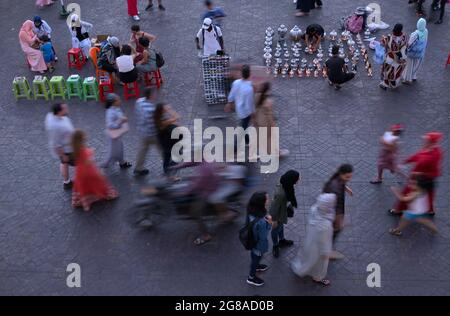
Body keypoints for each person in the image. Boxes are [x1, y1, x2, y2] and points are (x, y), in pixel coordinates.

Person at [390, 132, 443, 216]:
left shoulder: (434, 155)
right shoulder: (428, 148)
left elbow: (434, 172)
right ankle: (430, 210)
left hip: (419, 178)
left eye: (426, 139)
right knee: (428, 194)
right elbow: (417, 156)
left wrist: (419, 173)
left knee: (407, 191)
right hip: (421, 177)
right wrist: (405, 162)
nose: (424, 140)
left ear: (431, 142)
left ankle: (398, 210)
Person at [291, 193, 336, 286]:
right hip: (318, 248)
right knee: (319, 265)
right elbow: (324, 242)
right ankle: (318, 278)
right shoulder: (325, 225)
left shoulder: (314, 209)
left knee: (307, 259)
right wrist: (326, 253)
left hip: (310, 242)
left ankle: (302, 269)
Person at [71, 130, 119, 212]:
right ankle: (103, 195)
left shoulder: (74, 149)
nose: (86, 137)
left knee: (83, 186)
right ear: (81, 139)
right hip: (88, 170)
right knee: (98, 181)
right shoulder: (83, 150)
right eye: (84, 136)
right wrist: (91, 152)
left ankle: (84, 202)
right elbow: (88, 161)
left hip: (80, 172)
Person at [322, 164, 353, 260]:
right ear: (341, 174)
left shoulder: (337, 179)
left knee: (331, 233)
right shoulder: (334, 188)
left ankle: (326, 249)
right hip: (332, 214)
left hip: (333, 213)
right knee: (333, 233)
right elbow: (336, 206)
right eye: (347, 177)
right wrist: (338, 221)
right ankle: (326, 251)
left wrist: (346, 189)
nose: (349, 179)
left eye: (350, 177)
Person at [269, 170, 300, 258]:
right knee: (275, 229)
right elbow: (274, 207)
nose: (299, 180)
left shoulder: (285, 183)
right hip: (277, 214)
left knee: (281, 226)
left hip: (282, 211)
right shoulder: (281, 194)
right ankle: (275, 246)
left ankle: (282, 240)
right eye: (297, 178)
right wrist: (274, 220)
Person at [253, 82, 288, 156]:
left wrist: (254, 120)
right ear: (268, 90)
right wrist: (273, 125)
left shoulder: (257, 96)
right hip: (266, 123)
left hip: (258, 120)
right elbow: (270, 116)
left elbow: (254, 109)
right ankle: (277, 153)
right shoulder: (269, 102)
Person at [44, 103, 75, 190]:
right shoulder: (55, 126)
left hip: (68, 147)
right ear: (59, 112)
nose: (67, 109)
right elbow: (56, 143)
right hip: (68, 149)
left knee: (64, 163)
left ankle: (66, 182)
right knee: (80, 162)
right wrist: (63, 155)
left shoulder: (50, 115)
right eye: (65, 108)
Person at [246, 192, 272, 287]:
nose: (269, 200)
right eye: (267, 199)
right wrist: (269, 223)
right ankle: (251, 277)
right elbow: (263, 236)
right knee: (256, 258)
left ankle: (256, 266)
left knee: (255, 257)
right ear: (261, 203)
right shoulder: (261, 221)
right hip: (258, 245)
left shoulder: (251, 210)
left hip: (252, 241)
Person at [225, 65, 255, 146]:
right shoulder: (249, 88)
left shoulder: (236, 83)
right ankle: (236, 146)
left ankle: (247, 141)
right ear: (250, 74)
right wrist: (253, 114)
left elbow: (232, 94)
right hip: (246, 113)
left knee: (244, 126)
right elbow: (249, 104)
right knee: (243, 128)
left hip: (239, 109)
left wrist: (229, 103)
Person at [101, 94, 132, 170]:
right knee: (113, 152)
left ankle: (122, 162)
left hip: (118, 134)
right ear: (113, 102)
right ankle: (106, 164)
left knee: (119, 149)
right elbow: (110, 125)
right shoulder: (110, 112)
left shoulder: (116, 108)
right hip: (114, 135)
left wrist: (122, 118)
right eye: (118, 100)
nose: (120, 101)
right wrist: (120, 121)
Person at [134, 88, 159, 176]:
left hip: (142, 132)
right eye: (154, 93)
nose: (156, 95)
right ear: (151, 95)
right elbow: (154, 122)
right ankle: (168, 165)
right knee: (163, 149)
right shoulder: (151, 109)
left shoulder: (139, 102)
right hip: (152, 134)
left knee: (142, 150)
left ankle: (138, 167)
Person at [154, 102, 181, 176]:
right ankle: (169, 171)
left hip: (166, 141)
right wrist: (170, 110)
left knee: (168, 157)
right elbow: (177, 117)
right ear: (161, 110)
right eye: (164, 109)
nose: (166, 109)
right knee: (169, 156)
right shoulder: (162, 121)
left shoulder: (159, 117)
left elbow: (176, 123)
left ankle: (168, 170)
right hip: (167, 142)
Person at [379, 24, 408, 90]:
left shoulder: (390, 38)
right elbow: (406, 45)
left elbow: (382, 43)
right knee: (397, 72)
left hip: (391, 58)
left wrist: (384, 39)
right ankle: (394, 85)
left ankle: (385, 84)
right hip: (401, 59)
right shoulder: (404, 36)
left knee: (387, 71)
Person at [403, 18, 428, 84]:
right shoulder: (426, 31)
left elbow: (409, 44)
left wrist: (406, 49)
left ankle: (408, 79)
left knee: (409, 66)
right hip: (420, 53)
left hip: (412, 53)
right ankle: (414, 76)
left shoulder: (415, 34)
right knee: (416, 65)